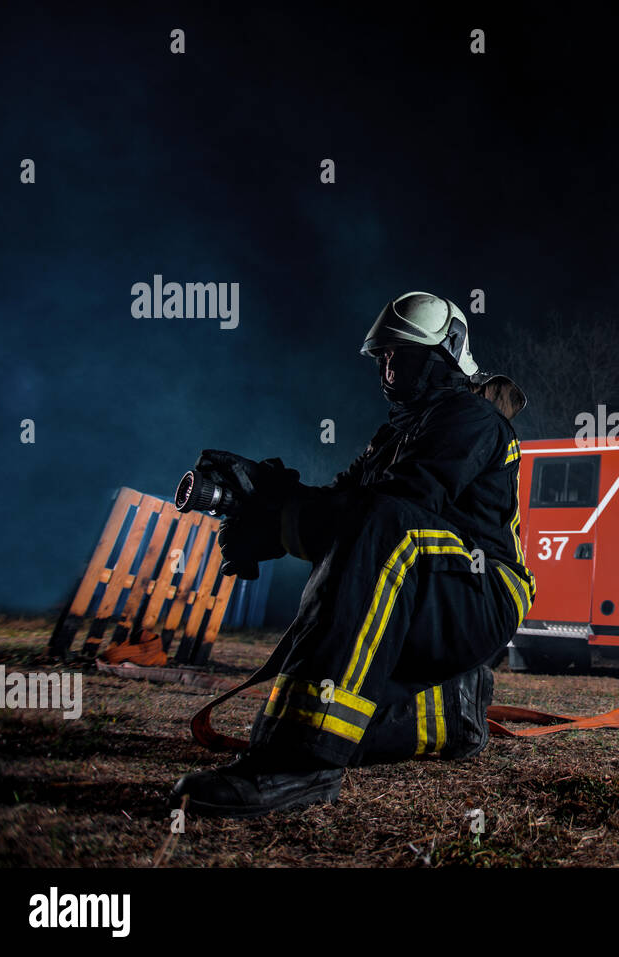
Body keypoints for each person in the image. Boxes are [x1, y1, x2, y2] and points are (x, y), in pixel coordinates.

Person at [170, 291, 536, 817]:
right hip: (431, 589)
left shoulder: (470, 418)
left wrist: (284, 521)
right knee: (345, 721)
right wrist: (268, 504)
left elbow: (403, 504)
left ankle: (297, 766)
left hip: (482, 593)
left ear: (442, 356)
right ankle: (451, 711)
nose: (388, 367)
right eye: (383, 355)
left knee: (386, 524)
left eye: (401, 354)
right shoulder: (397, 432)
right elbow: (344, 507)